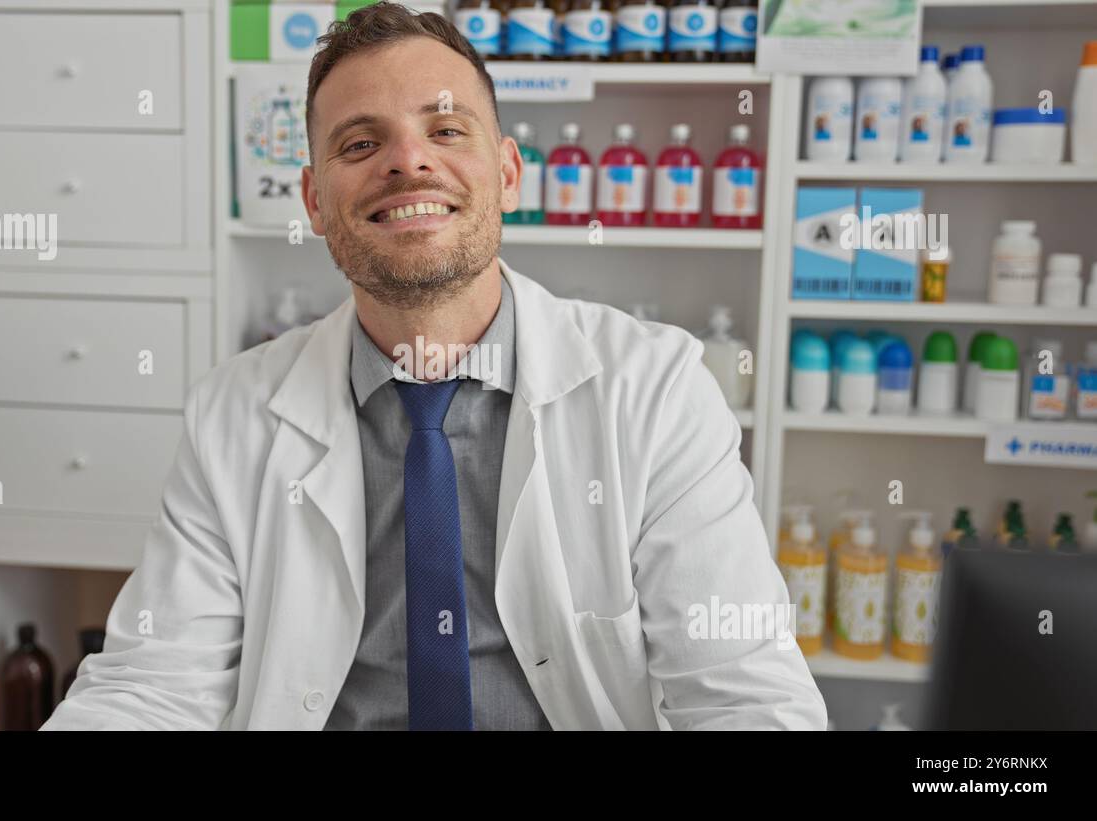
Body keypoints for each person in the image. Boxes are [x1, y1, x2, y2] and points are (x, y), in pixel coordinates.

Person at [42, 2, 826, 731]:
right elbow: (151, 686)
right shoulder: (232, 416)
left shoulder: (655, 389)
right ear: (314, 202)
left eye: (446, 130)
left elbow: (745, 692)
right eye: (360, 143)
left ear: (510, 173)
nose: (408, 162)